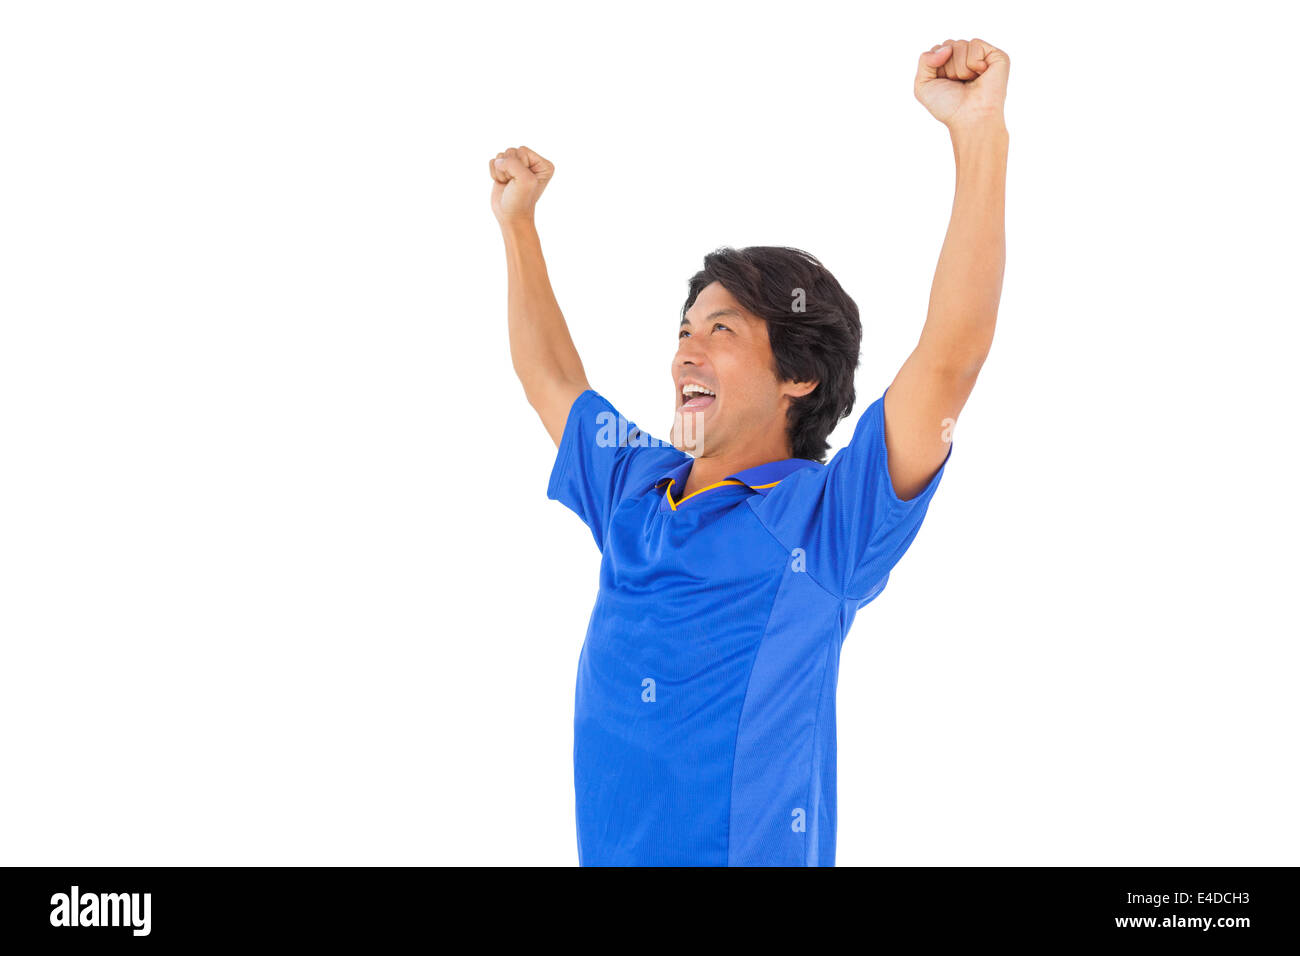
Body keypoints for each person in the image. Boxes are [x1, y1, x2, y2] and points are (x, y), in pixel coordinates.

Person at [488, 38, 1010, 866]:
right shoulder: (635, 481)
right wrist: (518, 225)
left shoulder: (824, 522)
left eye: (720, 332)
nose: (685, 353)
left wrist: (979, 134)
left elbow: (950, 360)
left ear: (798, 376)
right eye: (684, 332)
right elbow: (547, 374)